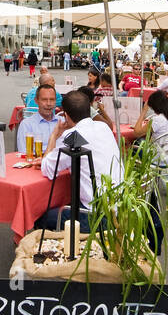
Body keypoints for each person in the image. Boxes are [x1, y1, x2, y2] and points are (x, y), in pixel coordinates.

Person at [35, 89, 123, 231]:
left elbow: (47, 167)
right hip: (120, 206)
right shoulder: (103, 127)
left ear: (66, 115)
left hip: (94, 215)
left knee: (40, 217)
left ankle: (70, 248)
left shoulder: (74, 135)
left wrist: (54, 135)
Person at [133, 90, 168, 184]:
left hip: (159, 159)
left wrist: (144, 111)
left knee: (134, 145)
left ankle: (140, 183)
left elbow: (136, 132)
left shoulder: (157, 120)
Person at [16, 83, 61, 155]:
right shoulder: (27, 124)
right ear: (36, 101)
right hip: (35, 163)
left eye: (52, 100)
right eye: (44, 100)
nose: (48, 103)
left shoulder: (63, 122)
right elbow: (23, 153)